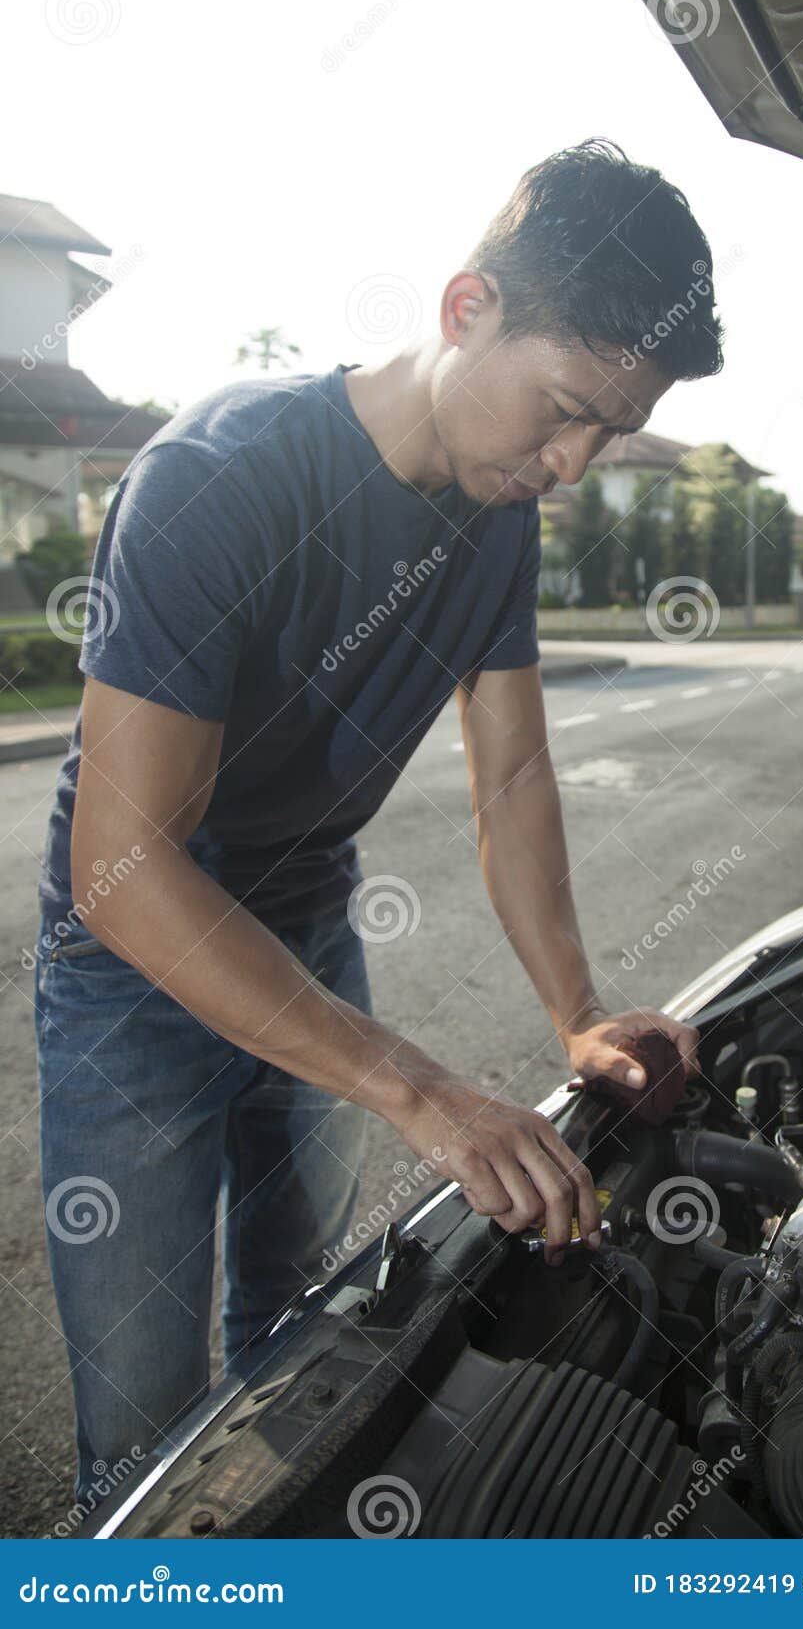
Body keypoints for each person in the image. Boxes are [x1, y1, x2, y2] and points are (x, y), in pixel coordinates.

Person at [33, 138, 724, 1501]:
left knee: (301, 1341)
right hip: (133, 965)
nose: (574, 462)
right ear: (468, 310)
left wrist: (579, 1007)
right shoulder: (222, 476)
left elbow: (513, 780)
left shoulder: (499, 515)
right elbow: (120, 871)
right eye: (566, 409)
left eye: (608, 433)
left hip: (301, 913)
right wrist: (417, 1088)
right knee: (147, 1425)